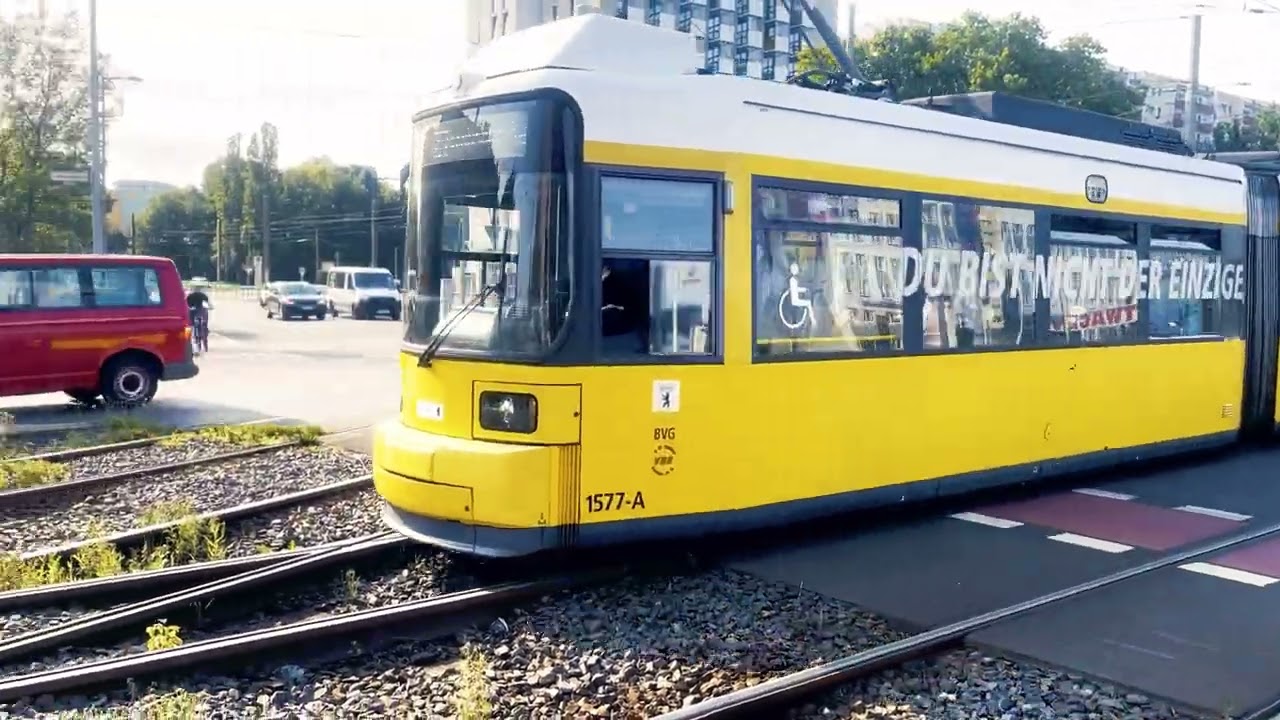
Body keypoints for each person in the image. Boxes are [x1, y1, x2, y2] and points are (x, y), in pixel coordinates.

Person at [185, 287, 213, 353]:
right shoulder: (203, 295)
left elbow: (186, 305)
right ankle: (205, 330)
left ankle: (191, 337)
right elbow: (208, 304)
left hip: (193, 312)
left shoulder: (189, 296)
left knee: (190, 325)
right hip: (200, 312)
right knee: (204, 320)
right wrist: (210, 307)